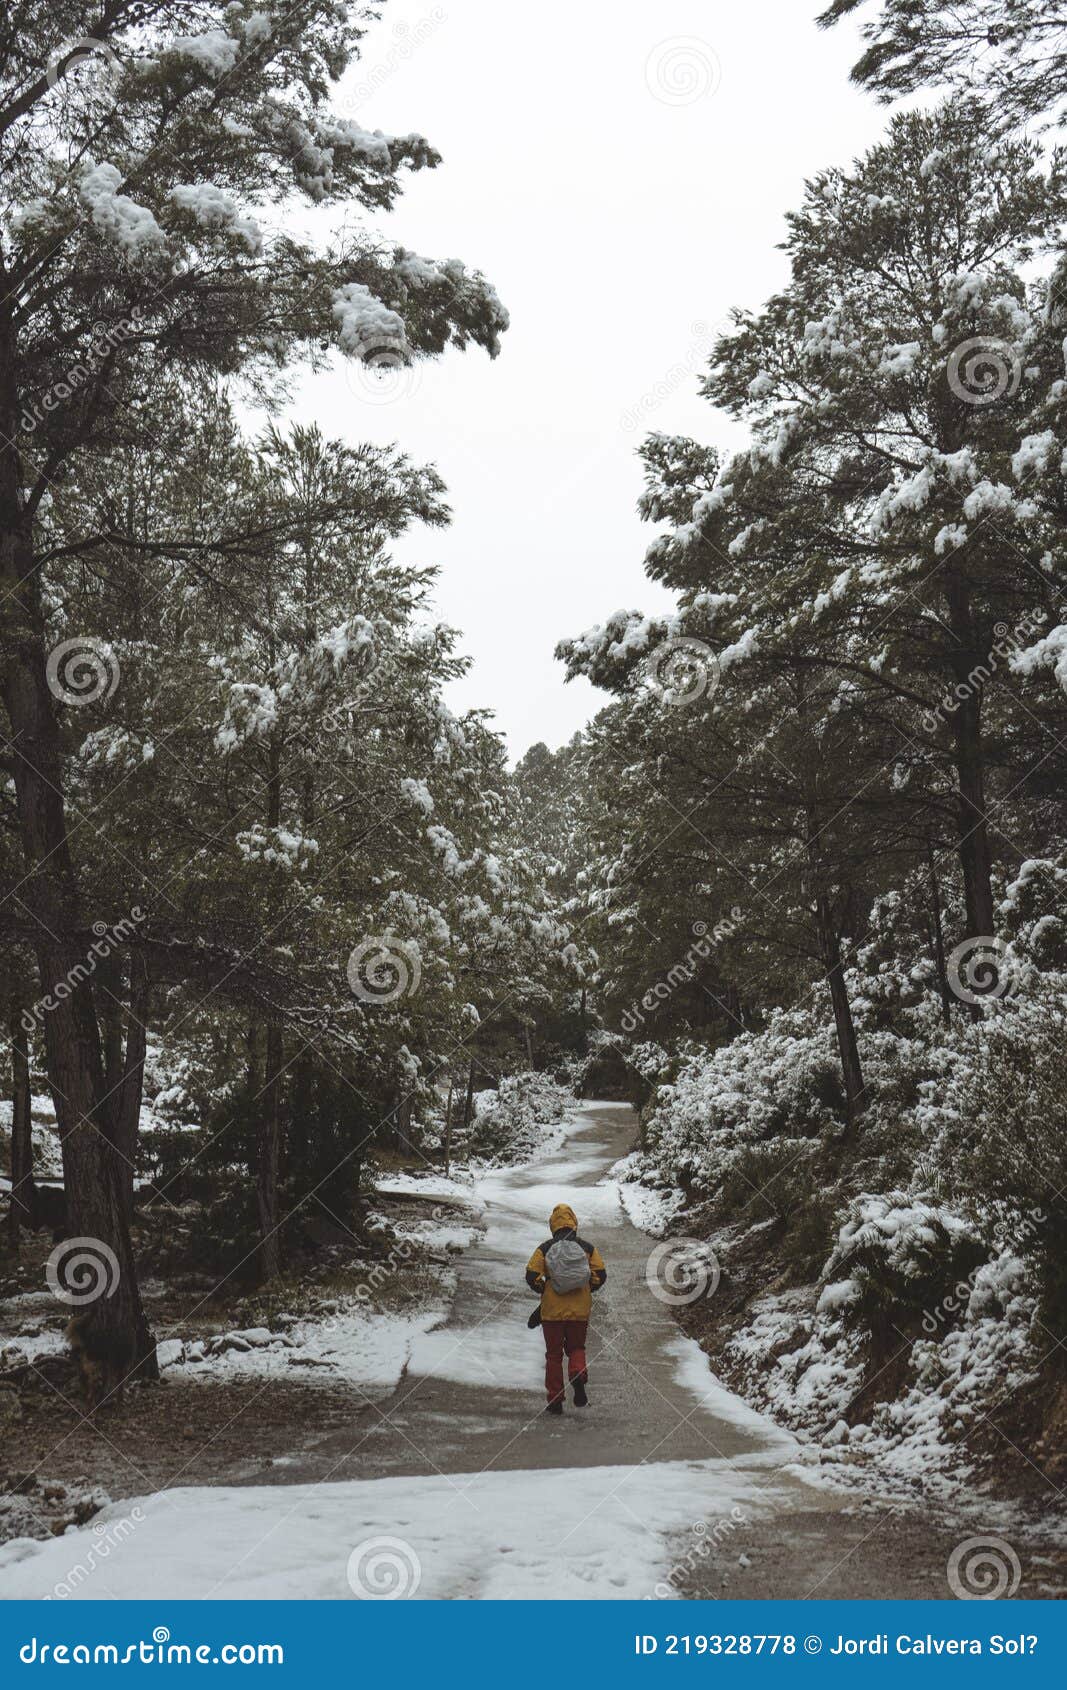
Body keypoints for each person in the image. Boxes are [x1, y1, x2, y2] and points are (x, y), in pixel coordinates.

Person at [525, 1202, 607, 1414]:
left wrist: (545, 1289)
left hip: (552, 1312)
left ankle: (555, 1400)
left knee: (553, 1355)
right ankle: (578, 1373)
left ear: (553, 1225)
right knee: (576, 1348)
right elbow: (601, 1275)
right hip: (579, 1312)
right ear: (574, 1222)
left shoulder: (545, 1248)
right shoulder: (587, 1247)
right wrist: (586, 1288)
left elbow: (531, 1275)